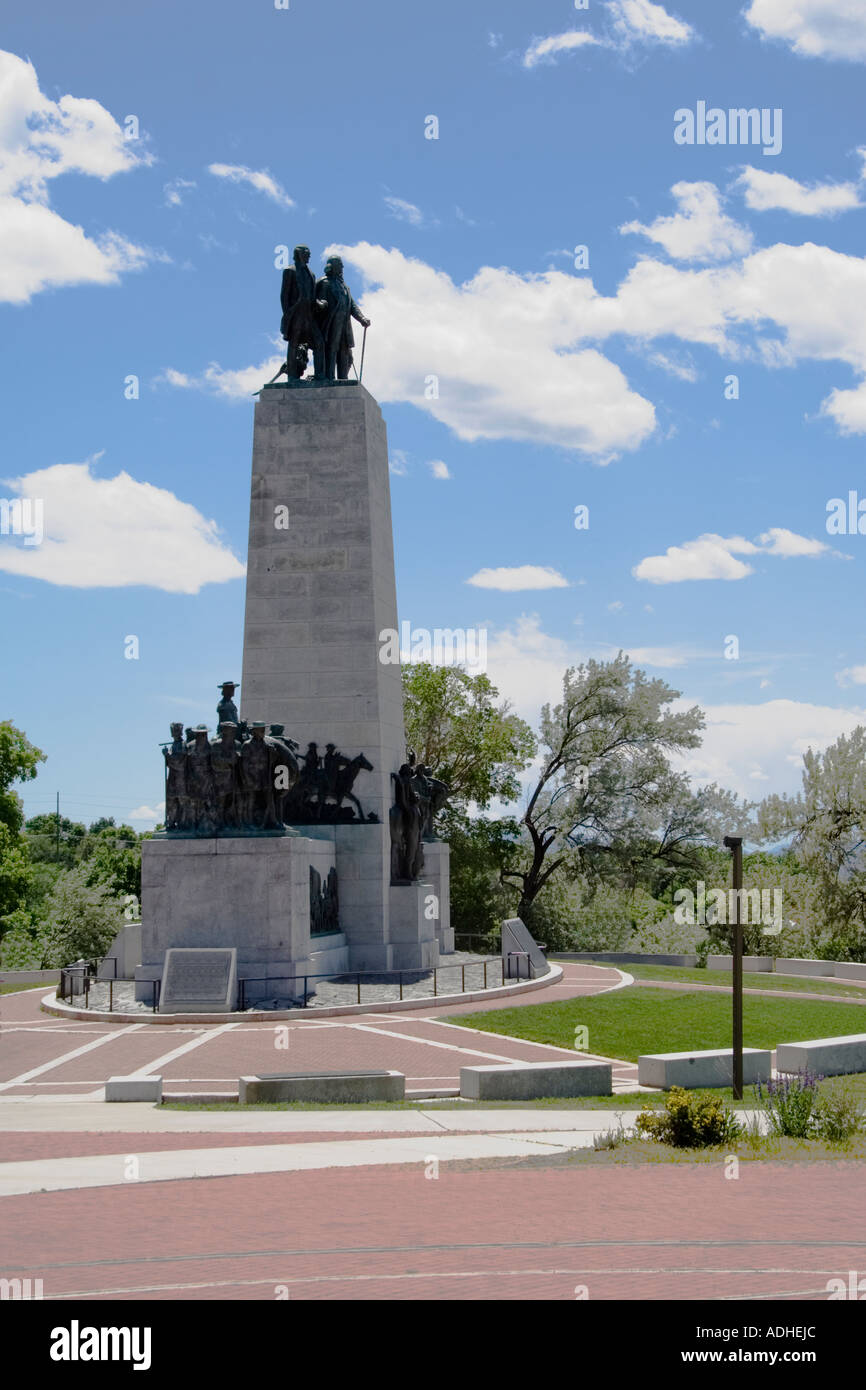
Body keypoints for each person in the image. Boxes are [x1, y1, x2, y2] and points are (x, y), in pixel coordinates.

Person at [315, 255, 370, 381]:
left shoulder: (345, 287)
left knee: (344, 351)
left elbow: (352, 305)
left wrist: (362, 318)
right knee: (331, 349)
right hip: (330, 322)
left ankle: (343, 378)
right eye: (340, 265)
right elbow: (315, 302)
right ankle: (329, 377)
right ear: (332, 266)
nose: (342, 267)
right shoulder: (324, 282)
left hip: (344, 324)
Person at [280, 245, 325, 379]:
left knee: (319, 342)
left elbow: (311, 296)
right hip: (296, 313)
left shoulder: (311, 274)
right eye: (307, 253)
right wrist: (288, 314)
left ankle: (320, 376)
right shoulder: (290, 271)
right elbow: (284, 296)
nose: (309, 256)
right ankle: (292, 377)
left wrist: (319, 303)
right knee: (294, 343)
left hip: (309, 315)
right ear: (299, 254)